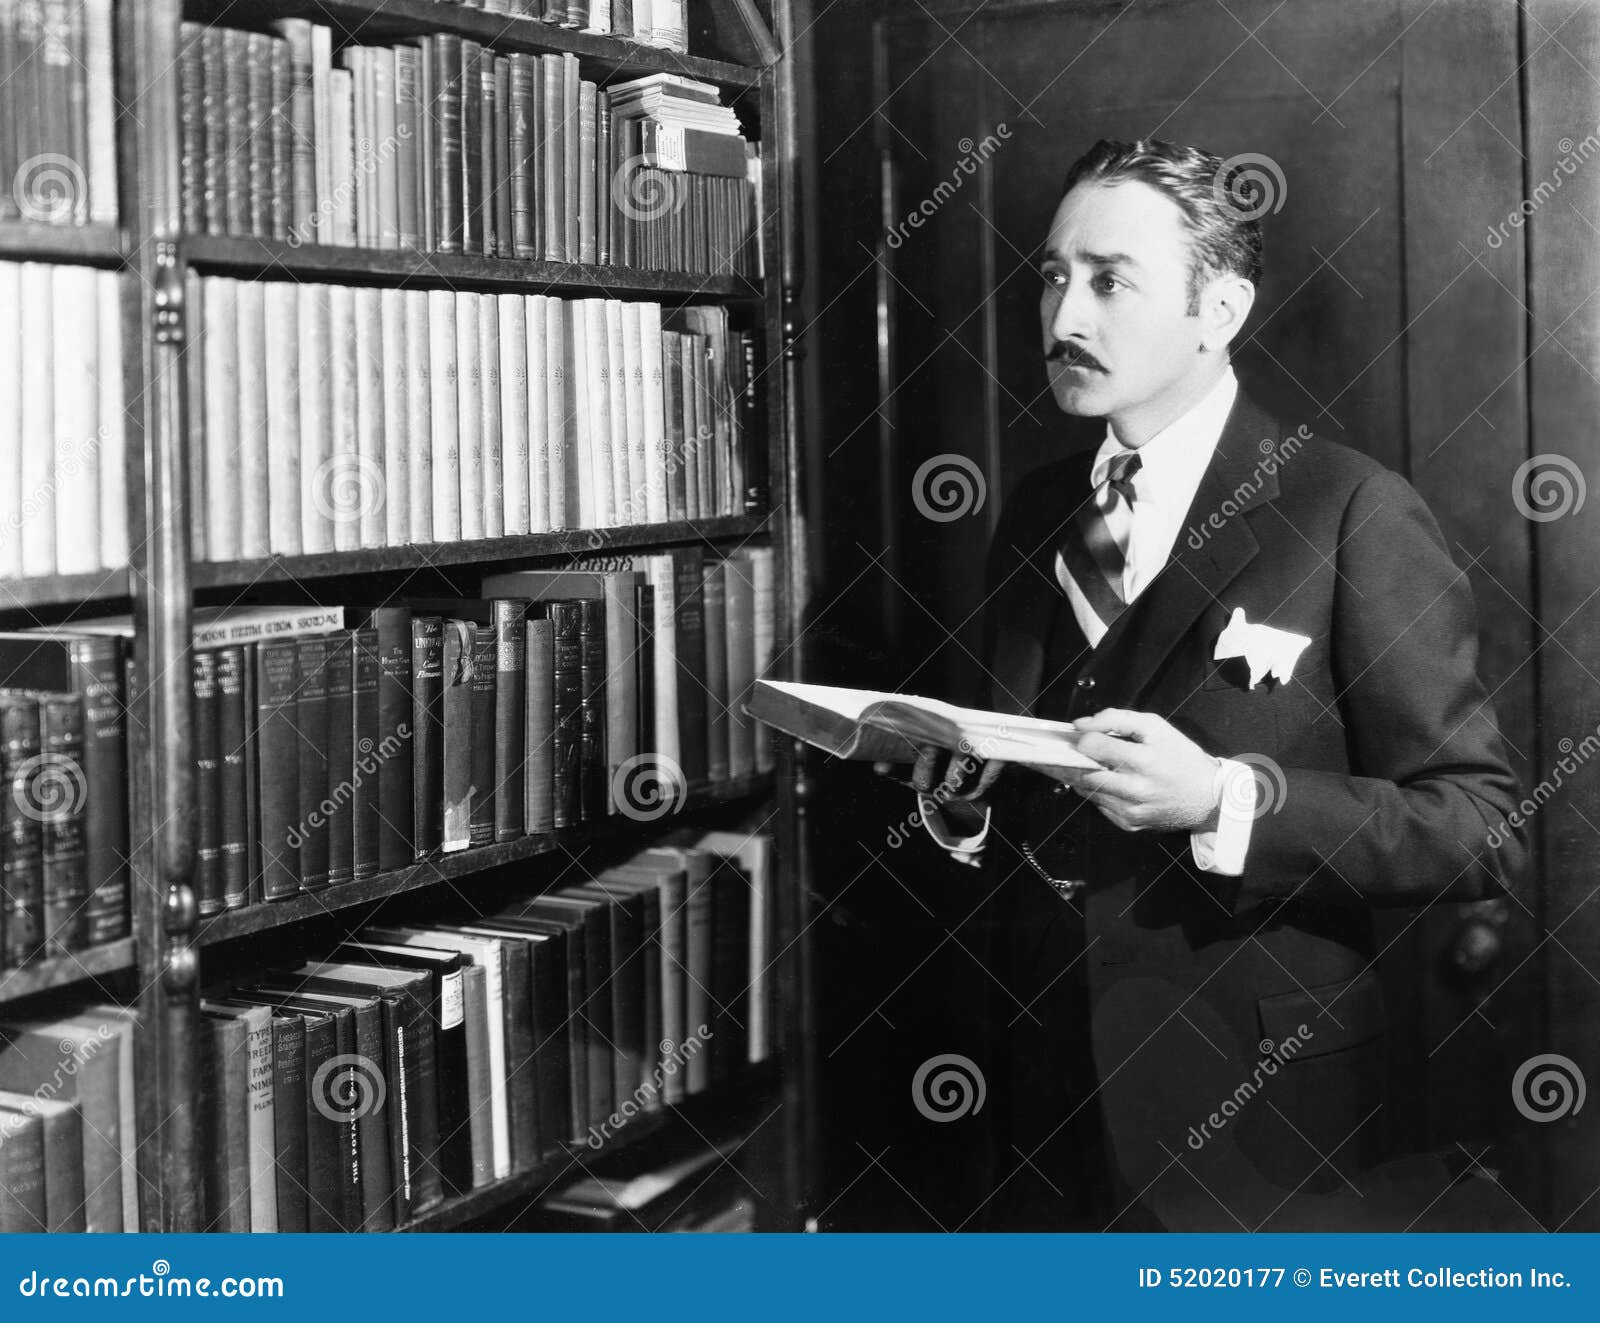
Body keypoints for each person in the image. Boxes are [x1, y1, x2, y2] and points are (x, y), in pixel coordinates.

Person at [878, 138, 1526, 1231]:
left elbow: (1479, 826)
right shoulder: (1035, 510)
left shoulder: (1347, 510)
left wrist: (1225, 802)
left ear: (1218, 308)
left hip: (1261, 1103)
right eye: (1052, 276)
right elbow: (1024, 767)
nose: (1064, 316)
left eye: (1110, 281)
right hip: (1034, 1083)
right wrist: (964, 804)